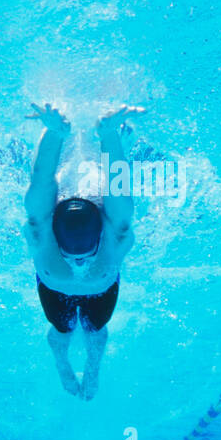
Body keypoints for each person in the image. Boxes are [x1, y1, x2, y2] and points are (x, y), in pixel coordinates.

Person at [24, 102, 143, 399]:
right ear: (55, 236)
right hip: (56, 288)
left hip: (96, 289)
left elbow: (118, 185)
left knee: (95, 332)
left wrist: (109, 134)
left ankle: (93, 367)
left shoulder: (116, 226)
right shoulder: (42, 228)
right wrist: (52, 133)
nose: (79, 264)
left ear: (102, 234)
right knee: (61, 332)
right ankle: (62, 362)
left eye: (85, 256)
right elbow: (41, 179)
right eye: (71, 255)